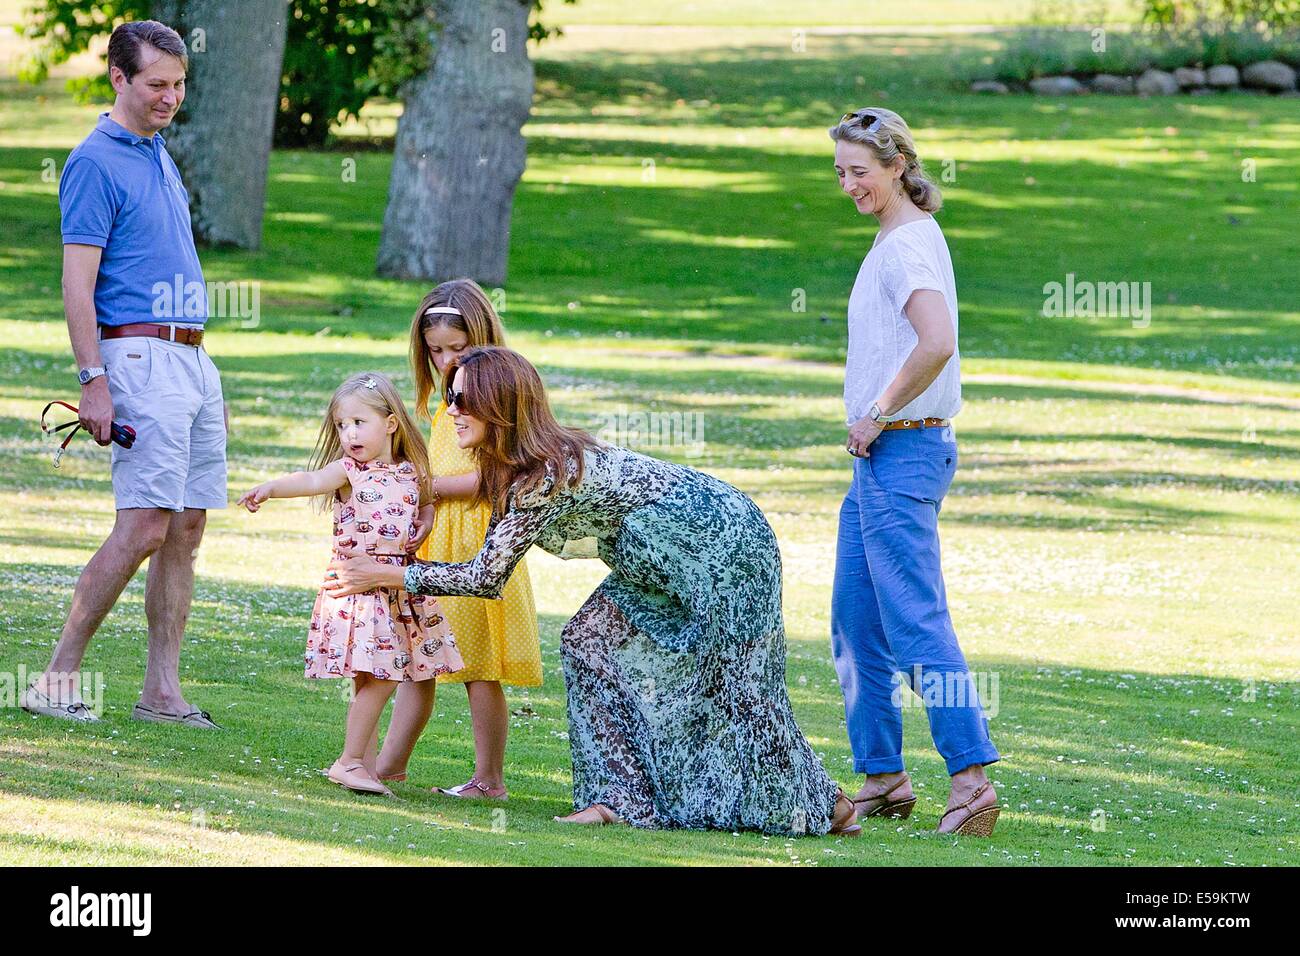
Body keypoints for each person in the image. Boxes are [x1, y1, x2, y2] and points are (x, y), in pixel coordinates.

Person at [325, 346, 861, 836]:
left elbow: (485, 578)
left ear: (502, 407)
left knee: (737, 684)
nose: (453, 409)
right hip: (660, 560)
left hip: (723, 545)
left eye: (465, 399)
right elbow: (481, 535)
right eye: (450, 395)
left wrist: (390, 575)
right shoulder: (518, 469)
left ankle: (823, 802)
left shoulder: (543, 474)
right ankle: (616, 799)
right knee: (586, 640)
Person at [21, 21, 226, 728]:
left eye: (178, 85)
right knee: (143, 526)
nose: (171, 97)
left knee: (186, 528)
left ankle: (161, 692)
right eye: (156, 85)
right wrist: (93, 379)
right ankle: (53, 679)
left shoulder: (156, 149)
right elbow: (78, 283)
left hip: (194, 359)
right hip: (138, 357)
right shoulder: (94, 161)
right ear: (118, 78)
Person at [829, 107, 1001, 836]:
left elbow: (937, 341)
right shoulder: (897, 239)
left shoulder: (907, 249)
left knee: (913, 617)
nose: (848, 186)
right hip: (882, 456)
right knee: (854, 618)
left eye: (859, 172)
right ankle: (884, 775)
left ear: (898, 166)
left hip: (903, 447)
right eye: (839, 173)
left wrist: (877, 409)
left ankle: (970, 780)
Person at [238, 372, 463, 797]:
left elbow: (428, 500)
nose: (348, 434)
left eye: (359, 423)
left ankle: (365, 765)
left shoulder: (412, 471)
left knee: (371, 679)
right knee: (380, 676)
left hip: (399, 586)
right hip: (360, 589)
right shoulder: (348, 471)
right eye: (342, 425)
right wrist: (270, 488)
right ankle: (349, 762)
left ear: (391, 423)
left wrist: (426, 520)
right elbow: (309, 481)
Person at [370, 279, 541, 800]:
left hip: (476, 545)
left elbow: (491, 479)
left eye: (457, 350)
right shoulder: (445, 403)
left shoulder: (493, 396)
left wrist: (426, 487)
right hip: (436, 542)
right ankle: (387, 767)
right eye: (435, 350)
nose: (445, 360)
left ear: (482, 338)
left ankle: (489, 779)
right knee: (418, 656)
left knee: (476, 667)